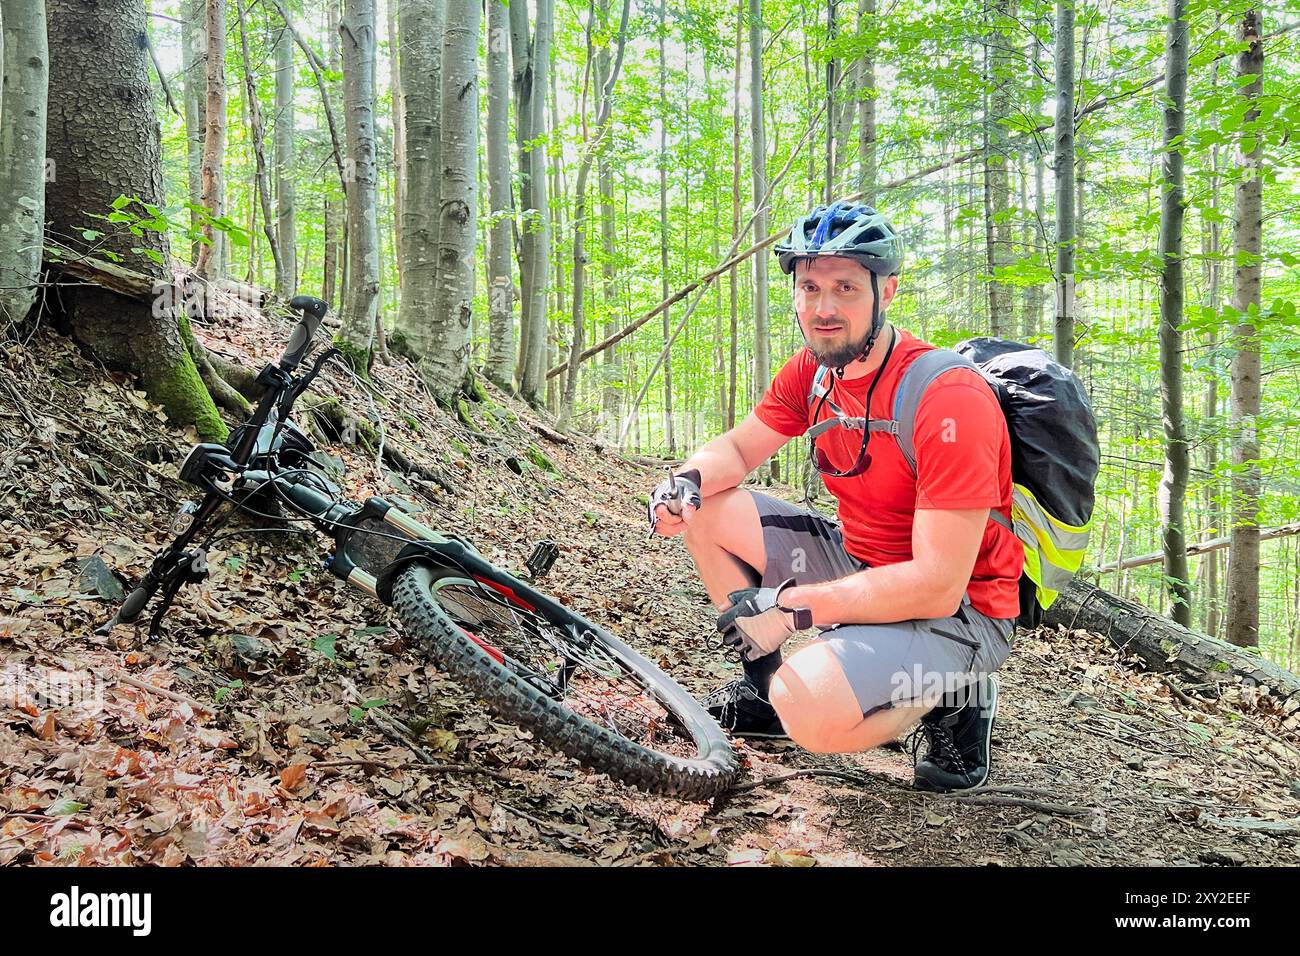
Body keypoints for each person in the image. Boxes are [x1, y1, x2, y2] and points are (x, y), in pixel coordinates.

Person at [646, 202, 1023, 792]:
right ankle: (762, 694)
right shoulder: (814, 372)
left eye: (845, 288)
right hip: (861, 561)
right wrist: (686, 483)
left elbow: (937, 584)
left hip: (960, 607)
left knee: (812, 711)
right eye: (810, 288)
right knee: (709, 508)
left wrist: (794, 608)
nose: (824, 308)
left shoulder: (948, 397)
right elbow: (739, 450)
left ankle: (955, 693)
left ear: (886, 291)